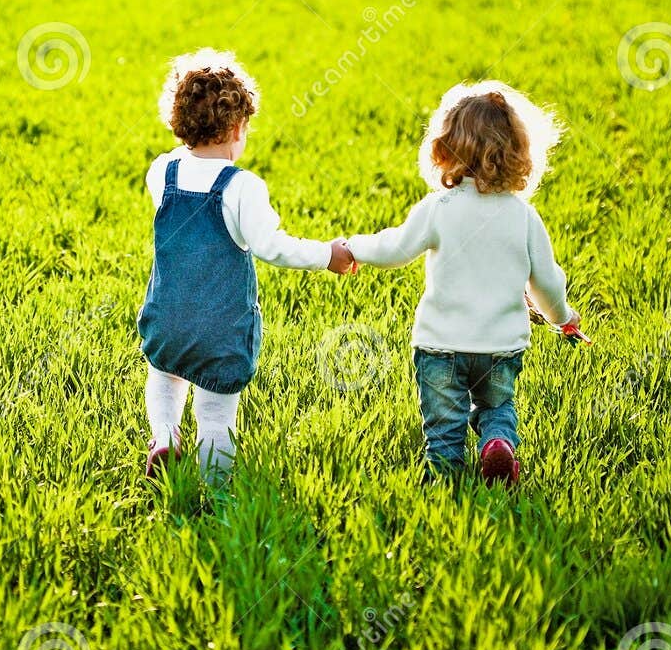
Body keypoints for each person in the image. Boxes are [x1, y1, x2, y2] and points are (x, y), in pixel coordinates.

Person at [343, 82, 580, 485]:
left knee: (444, 427)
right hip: (499, 348)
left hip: (441, 345)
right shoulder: (523, 216)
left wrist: (353, 248)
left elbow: (395, 248)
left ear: (444, 149)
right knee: (496, 406)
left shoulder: (439, 207)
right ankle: (497, 442)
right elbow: (547, 280)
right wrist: (563, 318)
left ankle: (445, 480)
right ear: (517, 151)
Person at [138, 48, 355, 480]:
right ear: (237, 128)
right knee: (216, 413)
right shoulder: (241, 187)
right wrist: (326, 254)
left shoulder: (162, 172)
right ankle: (215, 490)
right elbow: (272, 247)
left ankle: (164, 435)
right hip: (220, 329)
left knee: (163, 378)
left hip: (168, 317)